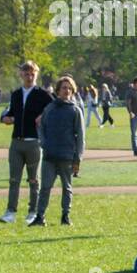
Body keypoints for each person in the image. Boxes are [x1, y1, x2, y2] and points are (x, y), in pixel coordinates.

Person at [0, 61, 52, 225]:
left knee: (34, 180)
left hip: (33, 142)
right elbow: (10, 113)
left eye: (32, 74)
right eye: (26, 73)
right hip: (16, 142)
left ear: (36, 74)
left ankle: (32, 212)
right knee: (14, 179)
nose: (29, 77)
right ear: (21, 74)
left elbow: (53, 108)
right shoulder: (15, 94)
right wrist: (6, 119)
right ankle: (10, 212)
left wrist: (43, 116)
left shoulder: (42, 94)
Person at [31, 75, 85, 227]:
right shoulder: (50, 108)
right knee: (45, 187)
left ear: (72, 91)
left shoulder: (75, 110)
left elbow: (80, 136)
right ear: (58, 90)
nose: (66, 90)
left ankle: (65, 216)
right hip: (50, 155)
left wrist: (78, 158)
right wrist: (43, 142)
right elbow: (41, 126)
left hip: (67, 156)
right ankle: (40, 216)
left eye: (69, 88)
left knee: (67, 188)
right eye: (64, 88)